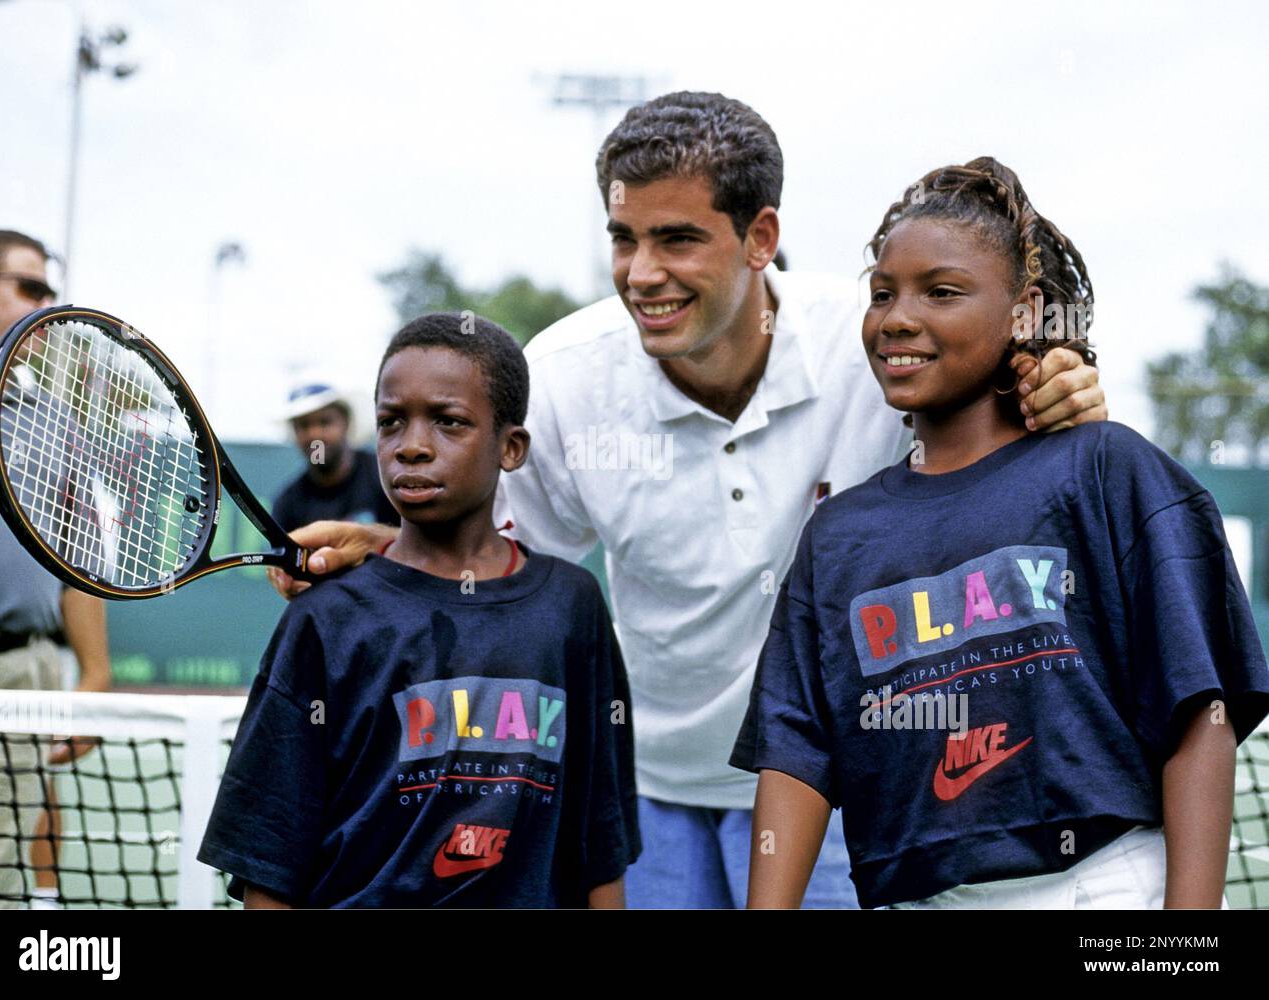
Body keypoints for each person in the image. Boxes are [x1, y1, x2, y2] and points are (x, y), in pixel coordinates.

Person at [268, 93, 1108, 908]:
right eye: (623, 239)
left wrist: (1053, 385)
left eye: (677, 240)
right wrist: (389, 550)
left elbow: (1005, 423)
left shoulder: (879, 342)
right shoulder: (563, 376)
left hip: (841, 789)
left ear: (760, 237)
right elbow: (493, 566)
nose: (642, 273)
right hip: (650, 791)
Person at [732, 157, 1269, 909]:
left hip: (1103, 890)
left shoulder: (1106, 468)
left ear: (1024, 314)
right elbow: (796, 754)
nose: (897, 317)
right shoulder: (837, 535)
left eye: (941, 292)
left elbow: (1199, 715)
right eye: (882, 294)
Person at [199, 313, 640, 907]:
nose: (411, 445)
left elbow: (599, 849)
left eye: (449, 422)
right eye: (391, 422)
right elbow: (268, 863)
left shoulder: (571, 607)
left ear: (511, 448)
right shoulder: (323, 620)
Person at [0, 229, 112, 909]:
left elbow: (73, 560)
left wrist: (93, 675)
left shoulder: (56, 422)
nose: (48, 305)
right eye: (30, 287)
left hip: (22, 676)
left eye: (51, 291)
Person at [271, 382, 399, 531]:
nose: (315, 435)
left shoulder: (385, 477)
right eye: (304, 425)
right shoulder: (287, 505)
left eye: (325, 422)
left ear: (346, 422)